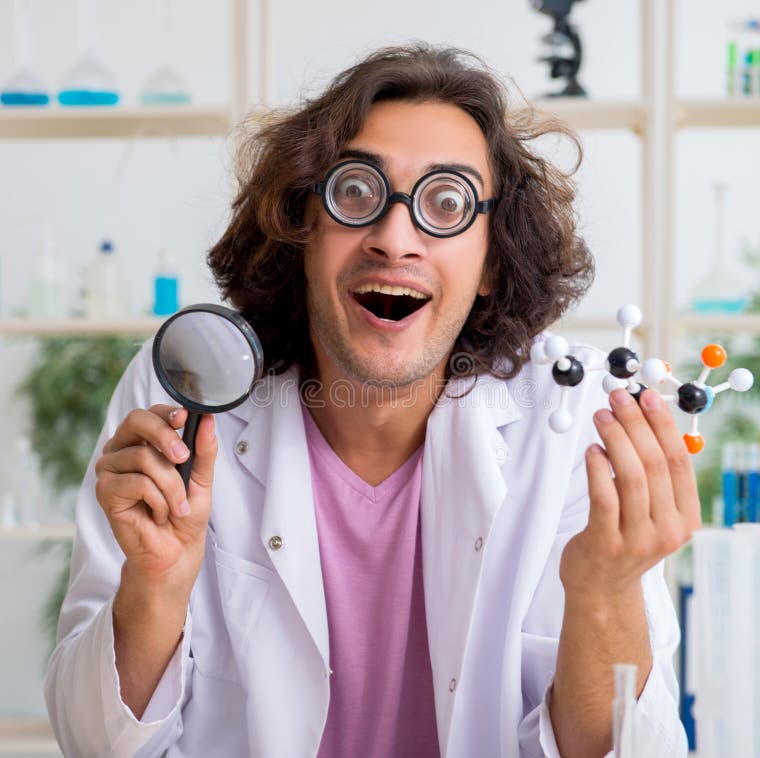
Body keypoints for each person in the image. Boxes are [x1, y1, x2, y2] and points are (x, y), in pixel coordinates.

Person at [45, 44, 697, 758]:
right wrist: (156, 585)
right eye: (355, 191)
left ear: (491, 258)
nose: (394, 239)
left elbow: (629, 751)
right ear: (301, 228)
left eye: (447, 202)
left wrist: (604, 593)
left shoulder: (574, 420)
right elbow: (92, 744)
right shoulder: (189, 385)